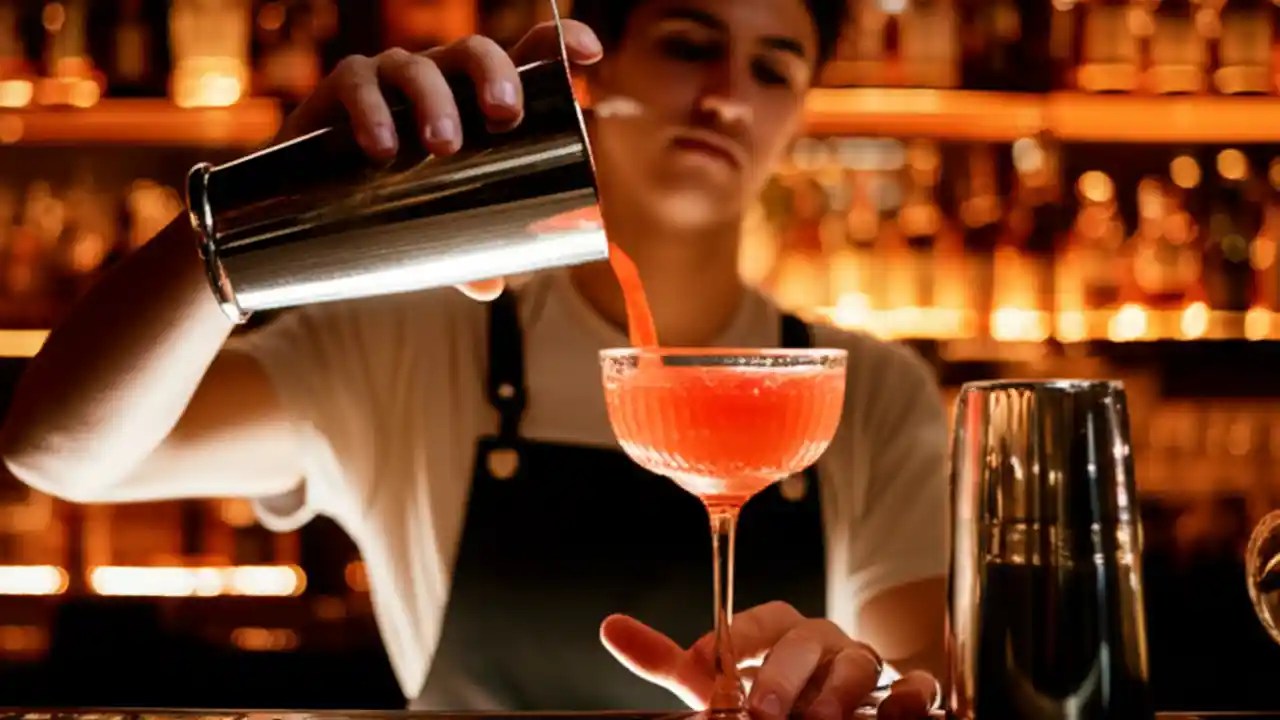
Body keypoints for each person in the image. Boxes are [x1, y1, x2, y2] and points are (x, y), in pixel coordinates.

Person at [0, 1, 949, 718]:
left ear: (803, 110)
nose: (727, 96)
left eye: (774, 68)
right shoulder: (406, 344)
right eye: (689, 45)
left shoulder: (860, 392)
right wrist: (256, 217)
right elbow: (59, 449)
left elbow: (926, 675)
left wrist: (852, 690)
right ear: (588, 74)